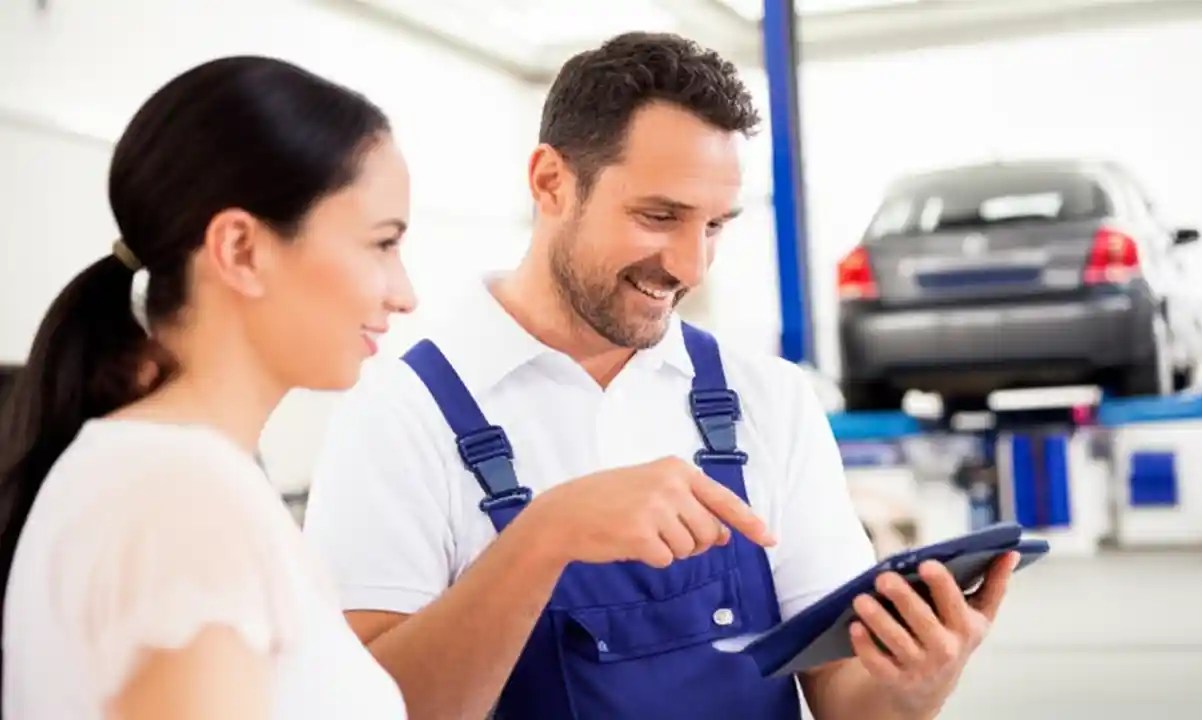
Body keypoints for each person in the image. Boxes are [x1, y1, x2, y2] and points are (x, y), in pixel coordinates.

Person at [303, 32, 1018, 720]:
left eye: (714, 226)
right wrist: (544, 535)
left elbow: (845, 698)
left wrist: (919, 683)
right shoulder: (400, 417)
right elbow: (380, 709)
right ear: (551, 181)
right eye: (658, 215)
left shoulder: (765, 400)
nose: (689, 266)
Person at [0, 56, 417, 719]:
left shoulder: (169, 475)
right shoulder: (181, 495)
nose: (405, 295)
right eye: (382, 244)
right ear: (242, 250)